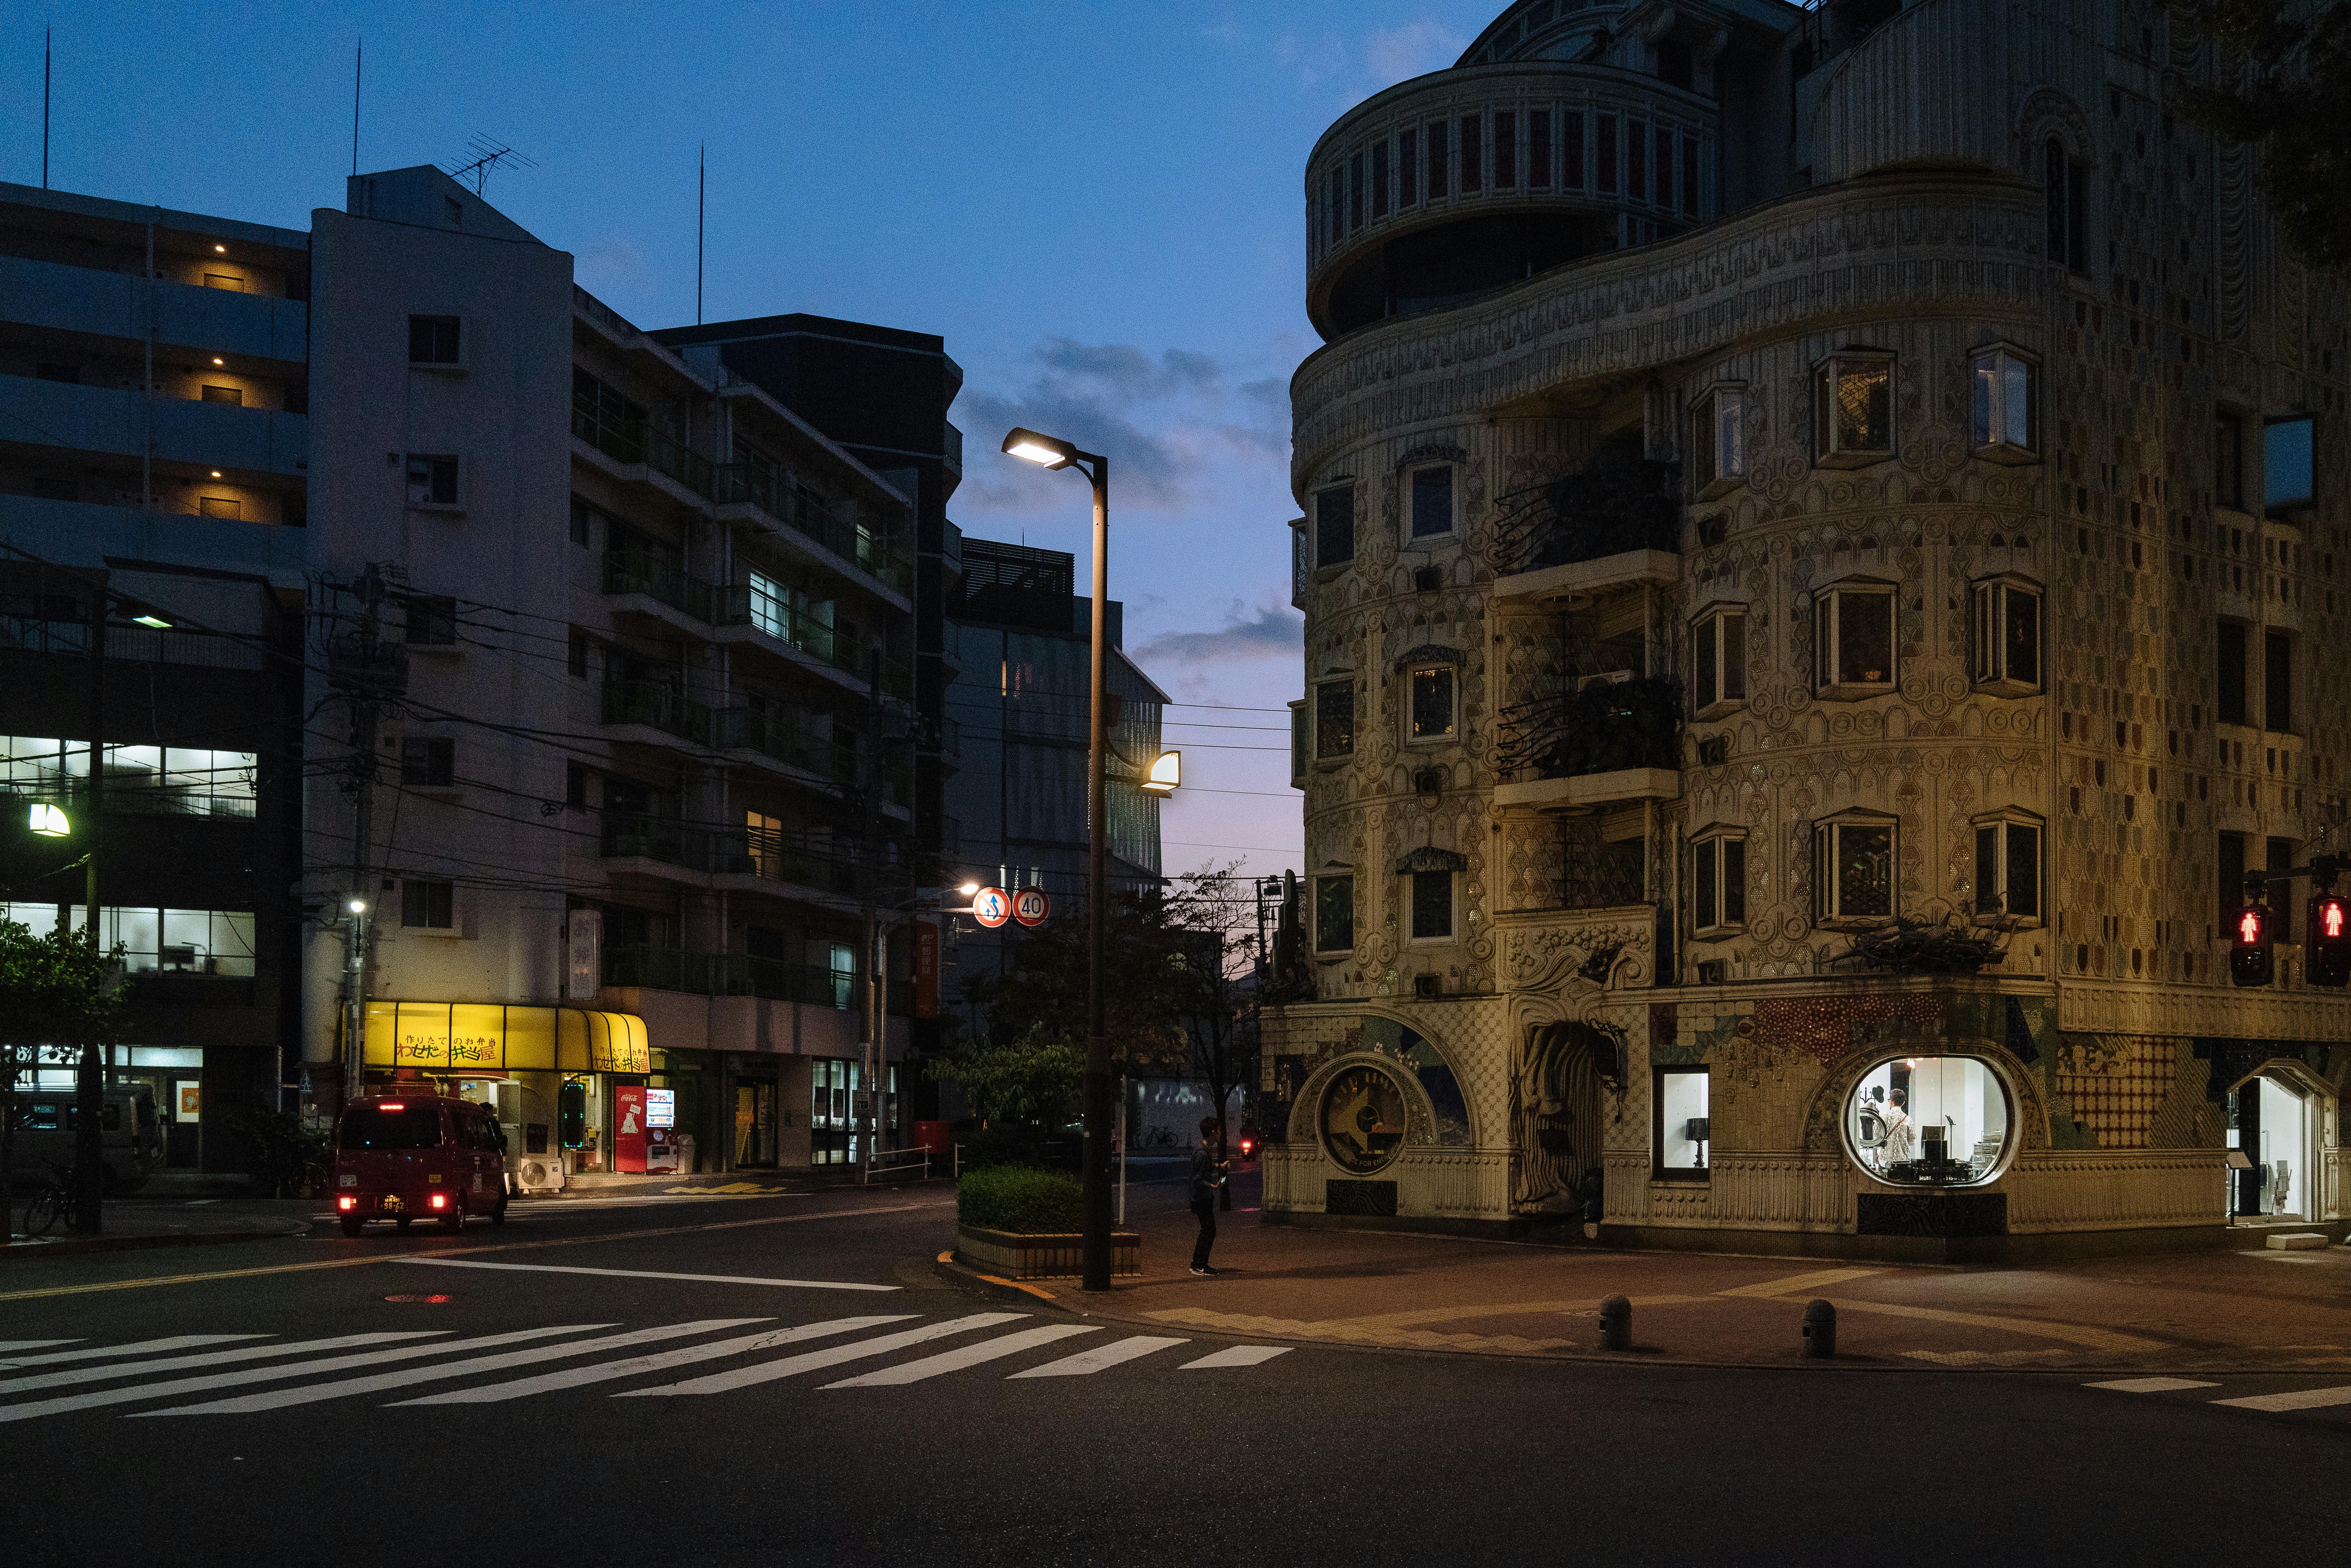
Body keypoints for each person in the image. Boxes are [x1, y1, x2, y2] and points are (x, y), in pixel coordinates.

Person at [1189, 1115, 1227, 1277]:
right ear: (1213, 1132)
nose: (1220, 1134)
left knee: (1208, 1230)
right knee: (1209, 1230)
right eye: (1218, 1131)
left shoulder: (1203, 1150)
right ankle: (1198, 1265)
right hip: (1201, 1198)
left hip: (1201, 1197)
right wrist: (1214, 1186)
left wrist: (1219, 1166)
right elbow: (1197, 1180)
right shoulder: (1202, 1153)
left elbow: (1206, 1167)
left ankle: (1199, 1264)